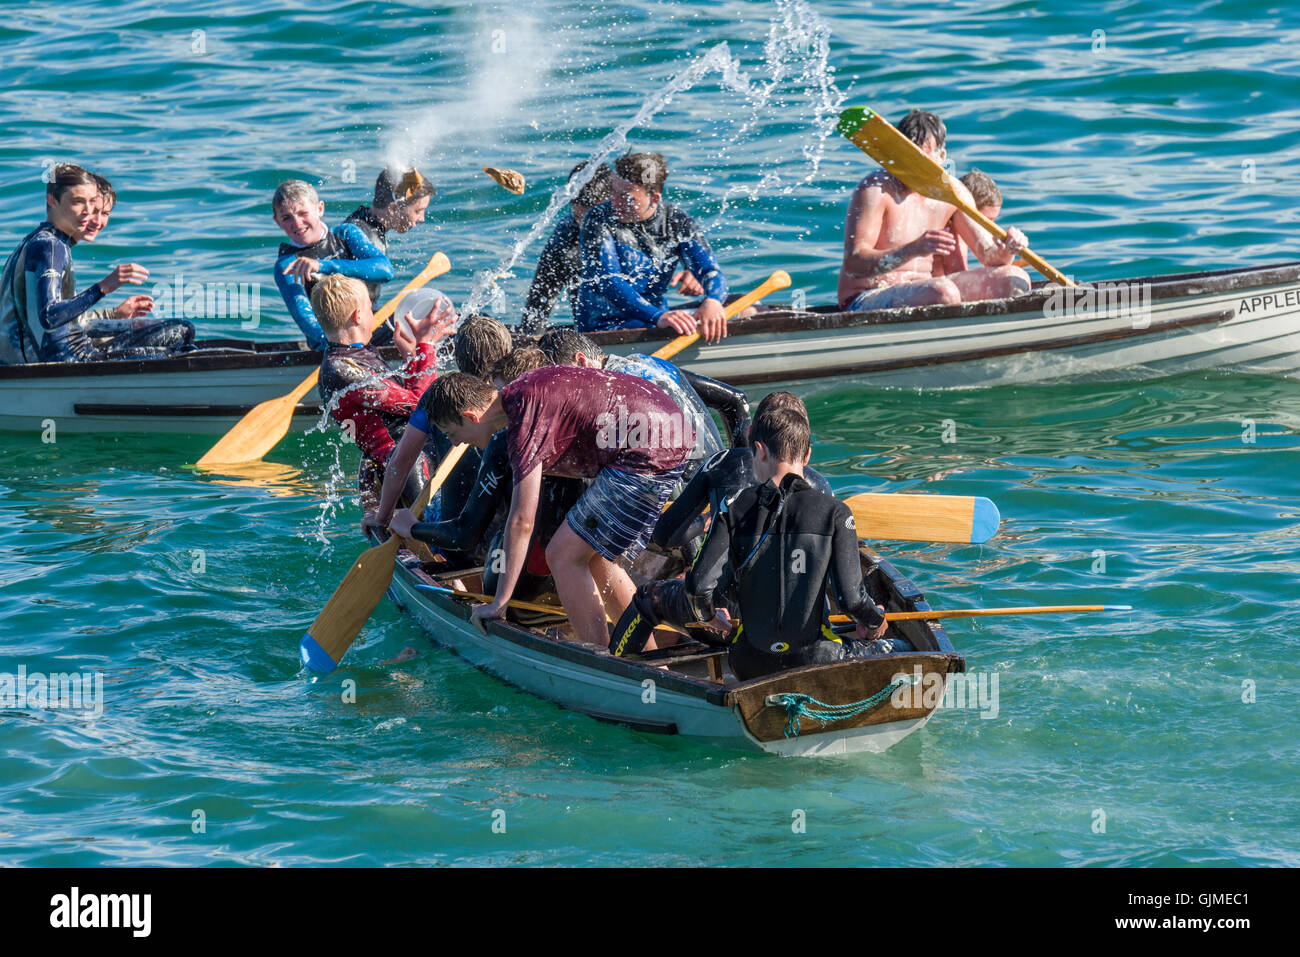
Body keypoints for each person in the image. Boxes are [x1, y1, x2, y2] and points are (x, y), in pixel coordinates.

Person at [613, 406, 904, 677]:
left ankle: (617, 677)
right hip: (818, 659)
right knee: (905, 650)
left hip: (747, 661)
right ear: (807, 456)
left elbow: (698, 586)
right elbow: (850, 599)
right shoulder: (835, 511)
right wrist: (875, 622)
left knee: (649, 597)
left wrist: (708, 616)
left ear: (759, 450)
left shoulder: (733, 506)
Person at [420, 366, 690, 648]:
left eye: (451, 432)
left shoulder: (523, 422)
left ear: (470, 417)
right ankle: (644, 659)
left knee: (562, 556)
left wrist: (499, 603)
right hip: (667, 429)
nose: (454, 442)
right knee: (595, 557)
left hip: (648, 448)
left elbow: (521, 521)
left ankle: (600, 661)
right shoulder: (521, 388)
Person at [387, 347, 586, 599]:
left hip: (523, 582)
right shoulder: (567, 421)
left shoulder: (501, 444)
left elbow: (464, 534)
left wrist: (412, 528)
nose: (456, 444)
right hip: (575, 559)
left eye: (451, 435)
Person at [0, 164, 194, 365]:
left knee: (175, 337)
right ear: (52, 201)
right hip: (60, 361)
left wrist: (119, 320)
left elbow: (64, 324)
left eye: (94, 205)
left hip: (40, 356)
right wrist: (104, 287)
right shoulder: (51, 246)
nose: (89, 214)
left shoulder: (39, 241)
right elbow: (49, 316)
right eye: (78, 202)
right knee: (181, 333)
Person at [837, 110, 1030, 312]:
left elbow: (990, 257)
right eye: (907, 158)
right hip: (865, 297)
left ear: (941, 157)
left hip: (927, 291)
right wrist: (912, 249)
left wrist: (1008, 249)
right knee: (944, 292)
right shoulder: (875, 190)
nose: (912, 169)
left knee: (1013, 279)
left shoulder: (953, 193)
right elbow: (854, 264)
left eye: (922, 162)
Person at [361, 315, 516, 547]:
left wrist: (381, 518)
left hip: (453, 534)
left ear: (458, 358)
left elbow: (398, 464)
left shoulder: (439, 397)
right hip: (504, 538)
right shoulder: (518, 398)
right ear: (506, 354)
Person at [312, 274, 454, 505]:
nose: (373, 315)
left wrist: (411, 357)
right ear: (358, 315)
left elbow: (400, 405)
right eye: (370, 308)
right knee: (436, 526)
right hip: (407, 465)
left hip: (406, 458)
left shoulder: (359, 354)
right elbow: (421, 404)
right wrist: (426, 347)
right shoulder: (343, 369)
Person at [536, 327, 748, 482]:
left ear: (582, 362)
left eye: (562, 385)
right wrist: (745, 476)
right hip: (721, 481)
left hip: (689, 502)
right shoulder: (650, 363)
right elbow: (736, 400)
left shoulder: (612, 392)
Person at [520, 162, 704, 333]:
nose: (590, 229)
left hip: (650, 319)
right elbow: (537, 308)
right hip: (598, 329)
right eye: (580, 219)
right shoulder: (565, 239)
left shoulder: (636, 218)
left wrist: (692, 270)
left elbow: (678, 243)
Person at [651, 391, 832, 557]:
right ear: (805, 451)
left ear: (751, 432)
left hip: (727, 580)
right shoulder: (819, 485)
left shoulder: (721, 464)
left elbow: (664, 536)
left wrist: (703, 522)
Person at [575, 152, 728, 342]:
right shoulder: (597, 219)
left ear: (654, 198)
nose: (614, 201)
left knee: (752, 310)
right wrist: (658, 317)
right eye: (613, 191)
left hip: (657, 321)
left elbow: (710, 271)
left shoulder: (676, 221)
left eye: (625, 196)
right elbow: (610, 282)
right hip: (603, 327)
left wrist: (713, 300)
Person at [271, 179, 394, 350]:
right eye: (287, 218)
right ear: (277, 221)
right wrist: (339, 344)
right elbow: (304, 317)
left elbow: (385, 271)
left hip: (368, 326)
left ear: (319, 208)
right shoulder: (288, 264)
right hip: (328, 344)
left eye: (303, 213)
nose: (297, 223)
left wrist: (323, 266)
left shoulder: (346, 234)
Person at [343, 167, 435, 306]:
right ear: (393, 208)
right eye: (418, 211)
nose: (422, 218)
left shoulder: (360, 220)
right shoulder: (365, 237)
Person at [934, 169, 1003, 278]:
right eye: (986, 221)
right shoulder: (950, 230)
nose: (991, 229)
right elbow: (955, 272)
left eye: (993, 222)